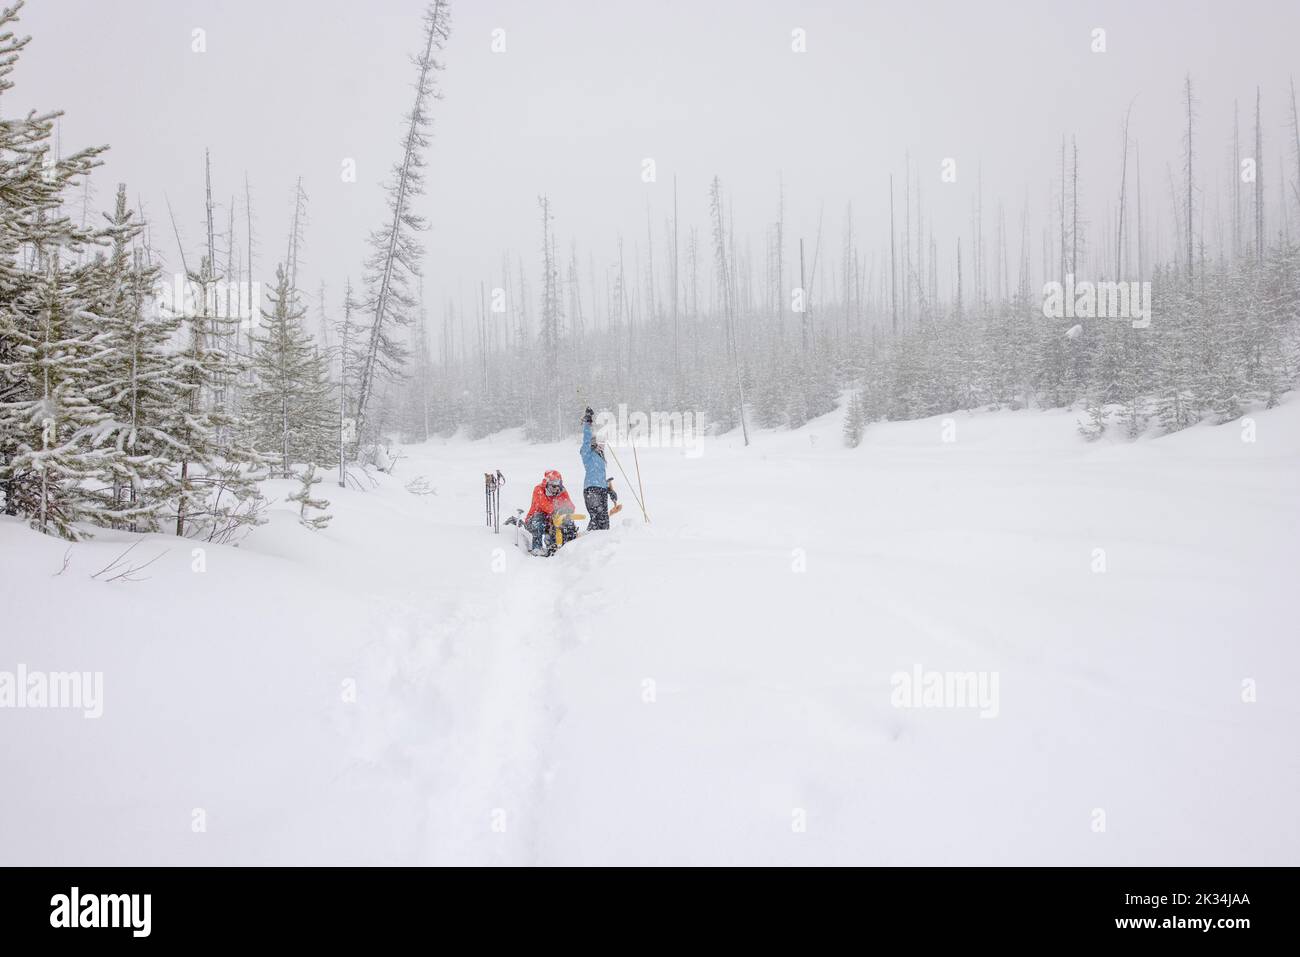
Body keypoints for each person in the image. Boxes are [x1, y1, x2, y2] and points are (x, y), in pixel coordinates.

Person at [524, 469, 576, 555]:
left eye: (557, 485)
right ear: (547, 484)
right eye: (553, 486)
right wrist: (558, 510)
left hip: (552, 520)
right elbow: (544, 505)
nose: (556, 488)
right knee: (539, 517)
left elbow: (570, 505)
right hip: (534, 521)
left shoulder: (562, 491)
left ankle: (559, 546)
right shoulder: (539, 490)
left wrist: (567, 510)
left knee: (566, 520)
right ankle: (537, 547)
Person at [579, 407, 611, 531]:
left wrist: (609, 489)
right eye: (600, 443)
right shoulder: (588, 454)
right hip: (591, 489)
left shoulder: (601, 459)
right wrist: (588, 423)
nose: (602, 445)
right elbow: (586, 440)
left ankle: (601, 542)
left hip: (602, 490)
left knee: (604, 520)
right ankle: (589, 539)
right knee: (598, 516)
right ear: (594, 444)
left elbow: (601, 476)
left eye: (603, 443)